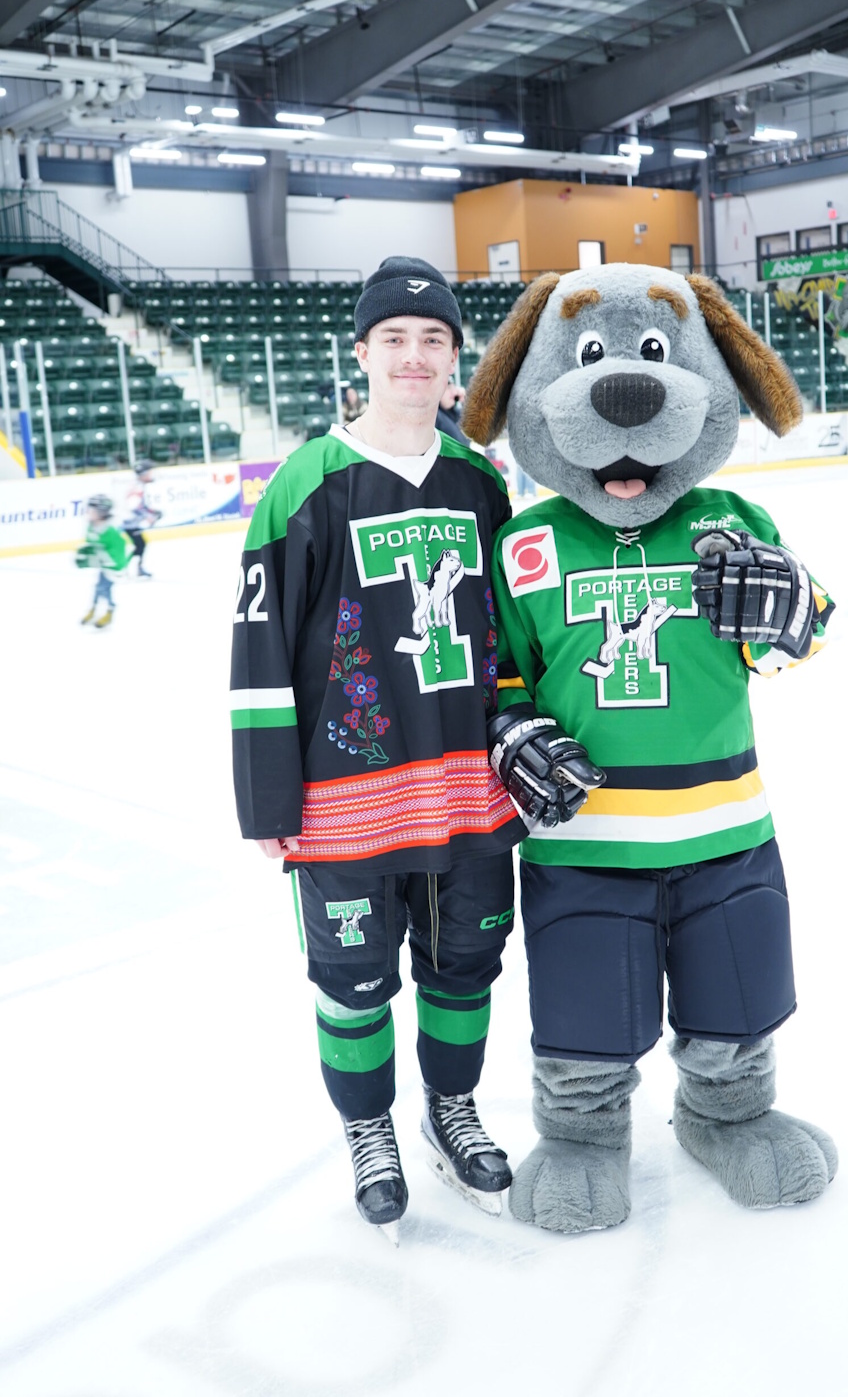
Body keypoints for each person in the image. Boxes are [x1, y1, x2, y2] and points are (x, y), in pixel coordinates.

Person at [230, 256, 531, 1241]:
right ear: (360, 354)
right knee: (352, 981)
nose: (413, 356)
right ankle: (370, 1130)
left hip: (466, 793)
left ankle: (450, 1109)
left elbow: (513, 635)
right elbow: (258, 649)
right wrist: (270, 802)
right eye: (393, 339)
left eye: (432, 339)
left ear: (455, 361)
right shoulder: (304, 484)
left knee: (463, 968)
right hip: (345, 803)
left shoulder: (481, 481)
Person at [76, 494, 133, 628]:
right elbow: (92, 543)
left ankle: (109, 610)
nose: (89, 512)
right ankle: (95, 608)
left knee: (103, 588)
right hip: (104, 564)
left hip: (114, 566)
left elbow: (121, 549)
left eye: (92, 510)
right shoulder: (92, 525)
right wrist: (87, 553)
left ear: (101, 512)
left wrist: (110, 563)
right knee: (99, 587)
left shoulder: (110, 530)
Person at [122, 459, 162, 576]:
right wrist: (149, 515)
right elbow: (134, 507)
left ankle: (133, 568)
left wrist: (152, 512)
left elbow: (140, 506)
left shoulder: (138, 485)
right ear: (143, 474)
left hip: (131, 522)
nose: (152, 475)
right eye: (150, 472)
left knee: (140, 544)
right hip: (129, 522)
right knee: (140, 544)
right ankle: (125, 568)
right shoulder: (137, 487)